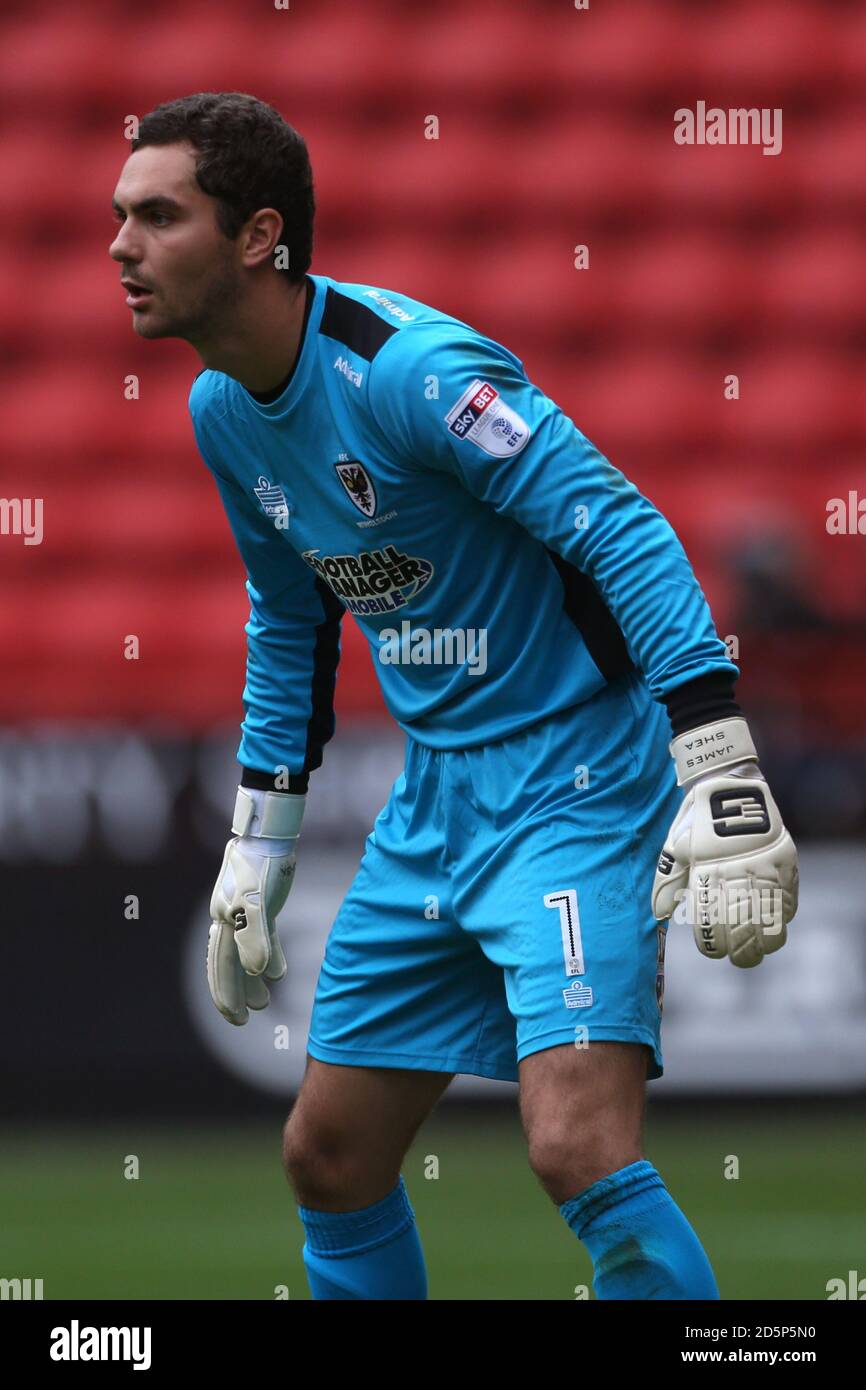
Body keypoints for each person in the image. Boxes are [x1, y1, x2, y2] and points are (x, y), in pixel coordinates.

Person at [110, 91, 799, 1300]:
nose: (119, 247)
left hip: (579, 777)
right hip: (436, 800)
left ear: (259, 235)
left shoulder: (410, 373)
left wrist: (719, 763)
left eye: (158, 217)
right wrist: (253, 844)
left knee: (575, 1145)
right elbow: (288, 621)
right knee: (328, 1155)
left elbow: (622, 531)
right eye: (120, 216)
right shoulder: (224, 412)